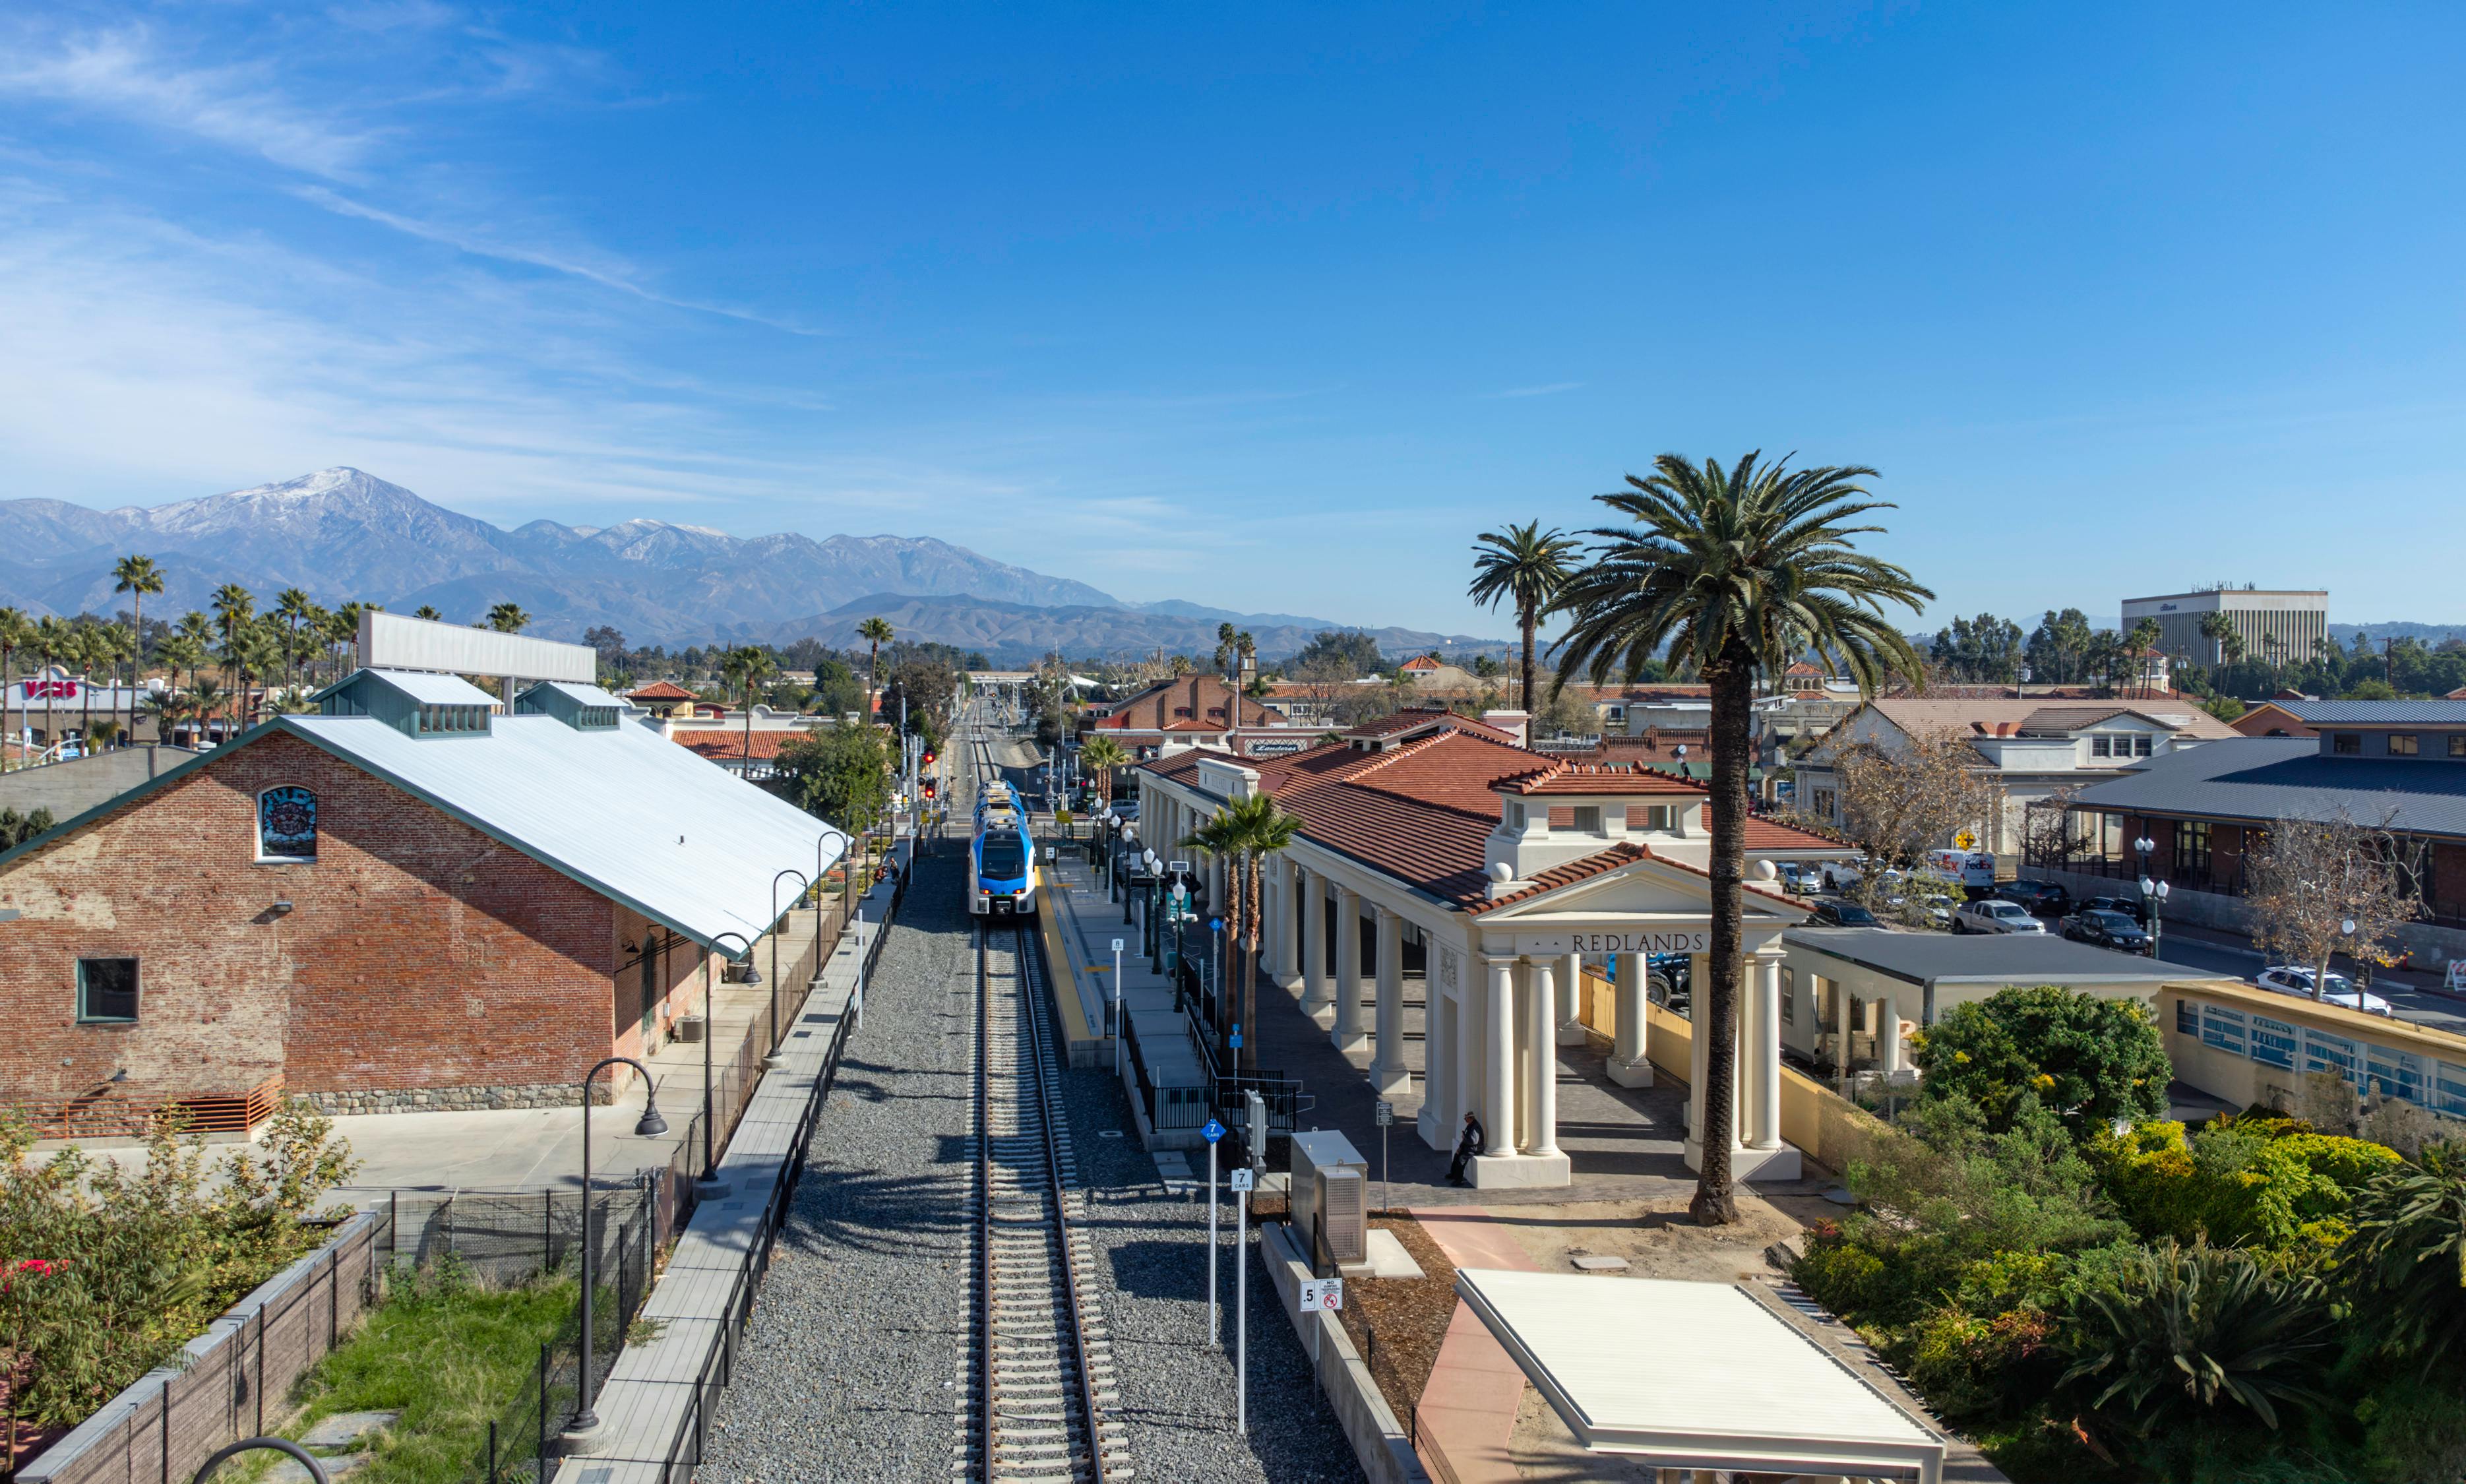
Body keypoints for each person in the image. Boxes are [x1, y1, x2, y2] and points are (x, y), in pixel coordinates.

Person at [1447, 1111, 1485, 1186]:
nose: (1465, 1120)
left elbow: (1474, 1142)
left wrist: (1464, 1139)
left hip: (1474, 1149)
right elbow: (1466, 1138)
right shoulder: (1470, 1125)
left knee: (1462, 1159)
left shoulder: (1475, 1128)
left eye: (1466, 1119)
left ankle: (1459, 1180)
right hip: (1468, 1147)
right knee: (1456, 1155)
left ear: (1471, 1118)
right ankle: (1453, 1174)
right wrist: (1460, 1147)